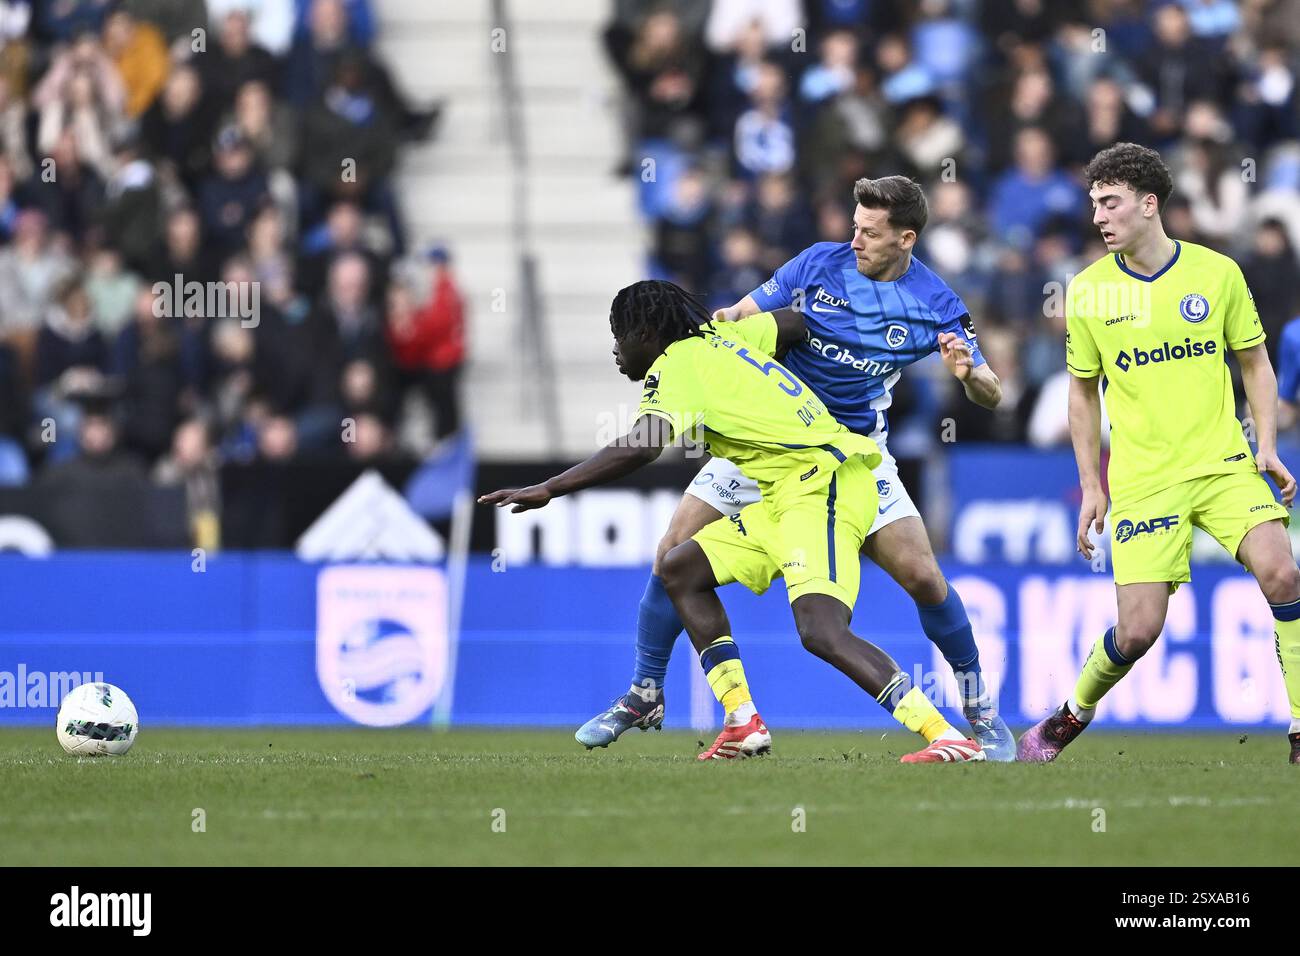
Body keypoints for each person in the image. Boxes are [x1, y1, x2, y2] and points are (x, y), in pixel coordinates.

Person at [575, 176, 1016, 760]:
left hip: (848, 456)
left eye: (870, 233)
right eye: (854, 226)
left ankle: (979, 708)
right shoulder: (816, 263)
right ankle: (644, 691)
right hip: (766, 439)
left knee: (923, 577)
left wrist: (969, 376)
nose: (854, 240)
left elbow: (993, 393)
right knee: (672, 553)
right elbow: (742, 313)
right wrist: (710, 332)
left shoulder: (935, 304)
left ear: (906, 239)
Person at [481, 281, 986, 764]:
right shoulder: (726, 336)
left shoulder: (675, 364)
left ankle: (944, 735)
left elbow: (641, 445)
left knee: (821, 630)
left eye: (619, 336)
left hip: (823, 485)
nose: (615, 351)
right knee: (679, 568)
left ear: (646, 335)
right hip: (781, 493)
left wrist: (551, 487)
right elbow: (795, 322)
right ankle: (742, 720)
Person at [1019, 142, 1300, 764]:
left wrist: (1269, 445)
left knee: (1282, 572)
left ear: (1150, 204)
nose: (1099, 217)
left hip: (1225, 464)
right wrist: (1093, 486)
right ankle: (1071, 715)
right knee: (1139, 630)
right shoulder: (1088, 293)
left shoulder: (1217, 273)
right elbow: (1082, 397)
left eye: (1111, 203)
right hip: (1145, 481)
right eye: (1094, 204)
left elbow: (1254, 364)